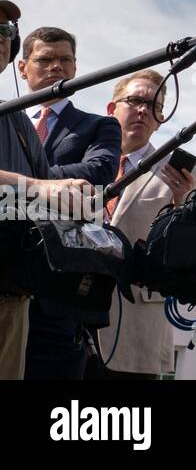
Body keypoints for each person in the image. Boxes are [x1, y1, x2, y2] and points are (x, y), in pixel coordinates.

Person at [18, 26, 123, 380]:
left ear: (76, 67)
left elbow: (100, 170)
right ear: (23, 68)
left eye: (64, 59)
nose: (56, 67)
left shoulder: (99, 126)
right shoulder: (5, 121)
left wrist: (21, 177)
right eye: (45, 60)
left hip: (58, 289)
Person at [0, 2, 90, 380]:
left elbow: (46, 200)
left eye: (4, 30)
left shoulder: (17, 119)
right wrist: (39, 188)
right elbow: (40, 189)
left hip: (12, 296)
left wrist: (74, 198)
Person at [89, 70, 196, 379]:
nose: (143, 110)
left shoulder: (178, 173)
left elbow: (189, 252)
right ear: (112, 109)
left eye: (153, 105)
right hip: (70, 319)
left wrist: (185, 204)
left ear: (161, 117)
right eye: (135, 100)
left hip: (136, 330)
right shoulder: (83, 159)